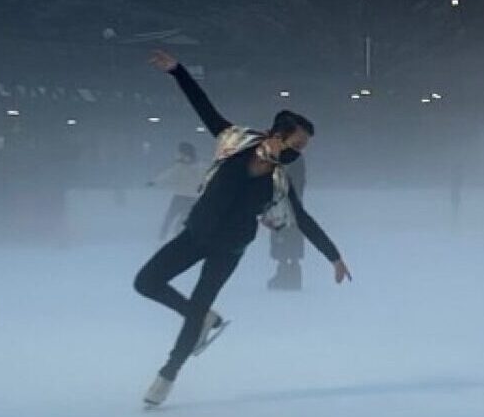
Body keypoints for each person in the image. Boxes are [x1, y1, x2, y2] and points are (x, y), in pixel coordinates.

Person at [134, 50, 352, 408]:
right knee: (146, 282)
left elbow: (303, 219)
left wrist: (334, 257)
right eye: (296, 145)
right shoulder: (234, 141)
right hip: (196, 234)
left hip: (228, 249)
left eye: (302, 149)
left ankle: (168, 374)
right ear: (276, 135)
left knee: (200, 303)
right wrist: (177, 71)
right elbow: (202, 105)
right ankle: (202, 318)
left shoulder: (280, 179)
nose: (298, 153)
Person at [148, 142, 206, 240]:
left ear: (188, 153)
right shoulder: (180, 166)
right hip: (181, 196)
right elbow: (168, 175)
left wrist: (203, 188)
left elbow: (206, 179)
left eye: (182, 153)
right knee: (170, 217)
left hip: (191, 197)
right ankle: (162, 236)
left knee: (183, 218)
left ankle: (177, 235)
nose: (180, 155)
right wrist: (155, 182)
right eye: (180, 153)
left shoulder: (200, 167)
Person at [266, 154, 306, 290]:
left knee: (283, 237)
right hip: (292, 206)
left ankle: (287, 274)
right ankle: (291, 274)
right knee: (289, 237)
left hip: (283, 206)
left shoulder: (283, 158)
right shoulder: (296, 158)